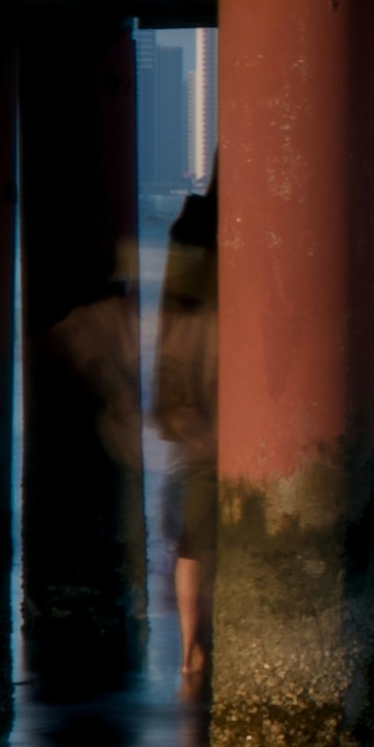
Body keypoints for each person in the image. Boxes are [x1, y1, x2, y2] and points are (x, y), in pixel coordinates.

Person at [148, 192, 216, 692]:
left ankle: (192, 648)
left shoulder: (181, 281)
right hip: (219, 418)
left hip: (189, 418)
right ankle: (200, 647)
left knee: (191, 537)